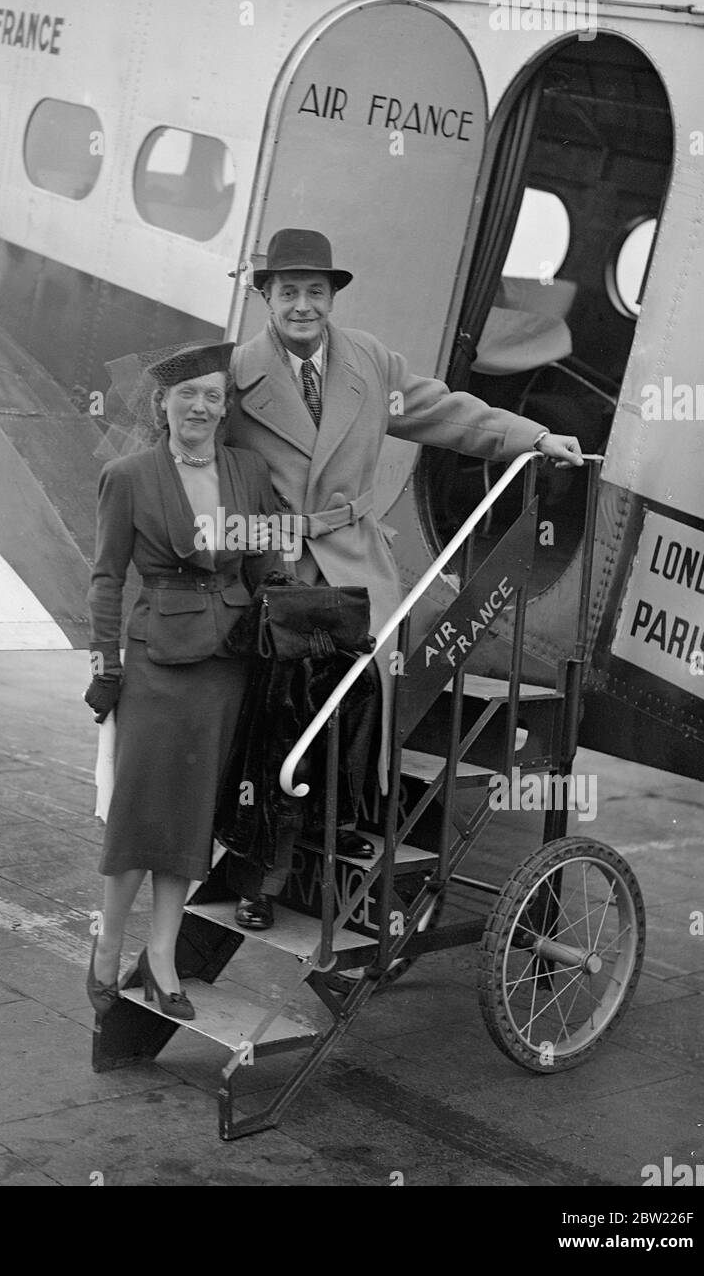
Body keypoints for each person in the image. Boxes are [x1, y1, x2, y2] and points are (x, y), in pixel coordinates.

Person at [224, 228, 585, 929]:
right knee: (279, 722)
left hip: (356, 561)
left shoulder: (371, 363)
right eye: (289, 292)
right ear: (265, 295)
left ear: (332, 298)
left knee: (363, 708)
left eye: (316, 293)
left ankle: (341, 831)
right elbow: (193, 466)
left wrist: (533, 438)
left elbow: (448, 414)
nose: (303, 306)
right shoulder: (234, 377)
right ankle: (258, 874)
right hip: (283, 569)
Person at [83, 340, 290, 1020]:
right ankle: (109, 942)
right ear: (162, 405)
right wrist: (104, 666)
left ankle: (163, 957)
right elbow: (107, 579)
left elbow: (264, 569)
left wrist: (300, 624)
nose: (199, 406)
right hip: (154, 665)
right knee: (140, 817)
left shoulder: (248, 472)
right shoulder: (130, 475)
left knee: (187, 821)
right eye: (186, 395)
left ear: (225, 406)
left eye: (212, 395)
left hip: (223, 668)